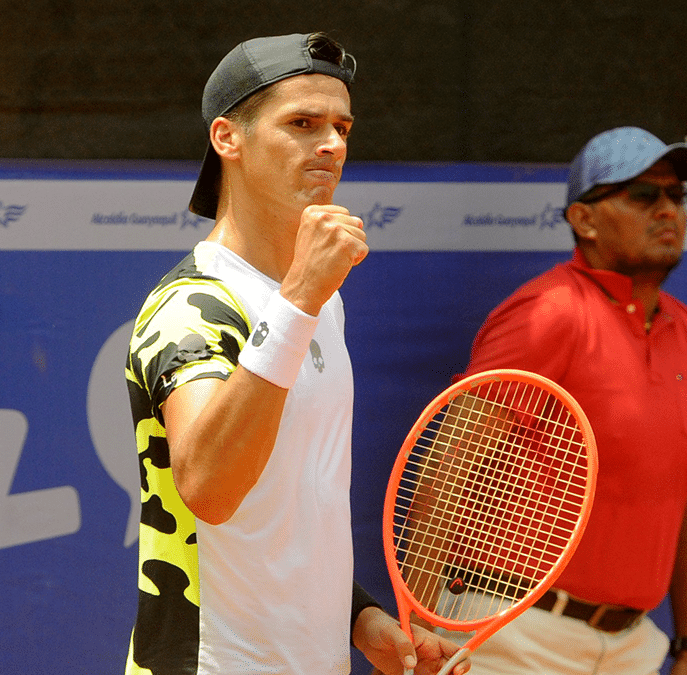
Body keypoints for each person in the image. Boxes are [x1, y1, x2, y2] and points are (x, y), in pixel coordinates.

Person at [122, 32, 470, 675]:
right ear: (227, 138)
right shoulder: (192, 306)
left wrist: (361, 619)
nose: (332, 143)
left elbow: (288, 517)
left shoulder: (320, 304)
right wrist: (301, 296)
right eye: (302, 124)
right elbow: (209, 490)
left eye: (342, 127)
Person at [442, 126, 687, 675]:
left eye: (677, 195)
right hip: (512, 636)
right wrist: (420, 625)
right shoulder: (546, 313)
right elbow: (450, 467)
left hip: (632, 648)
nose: (667, 210)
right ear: (584, 219)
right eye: (643, 194)